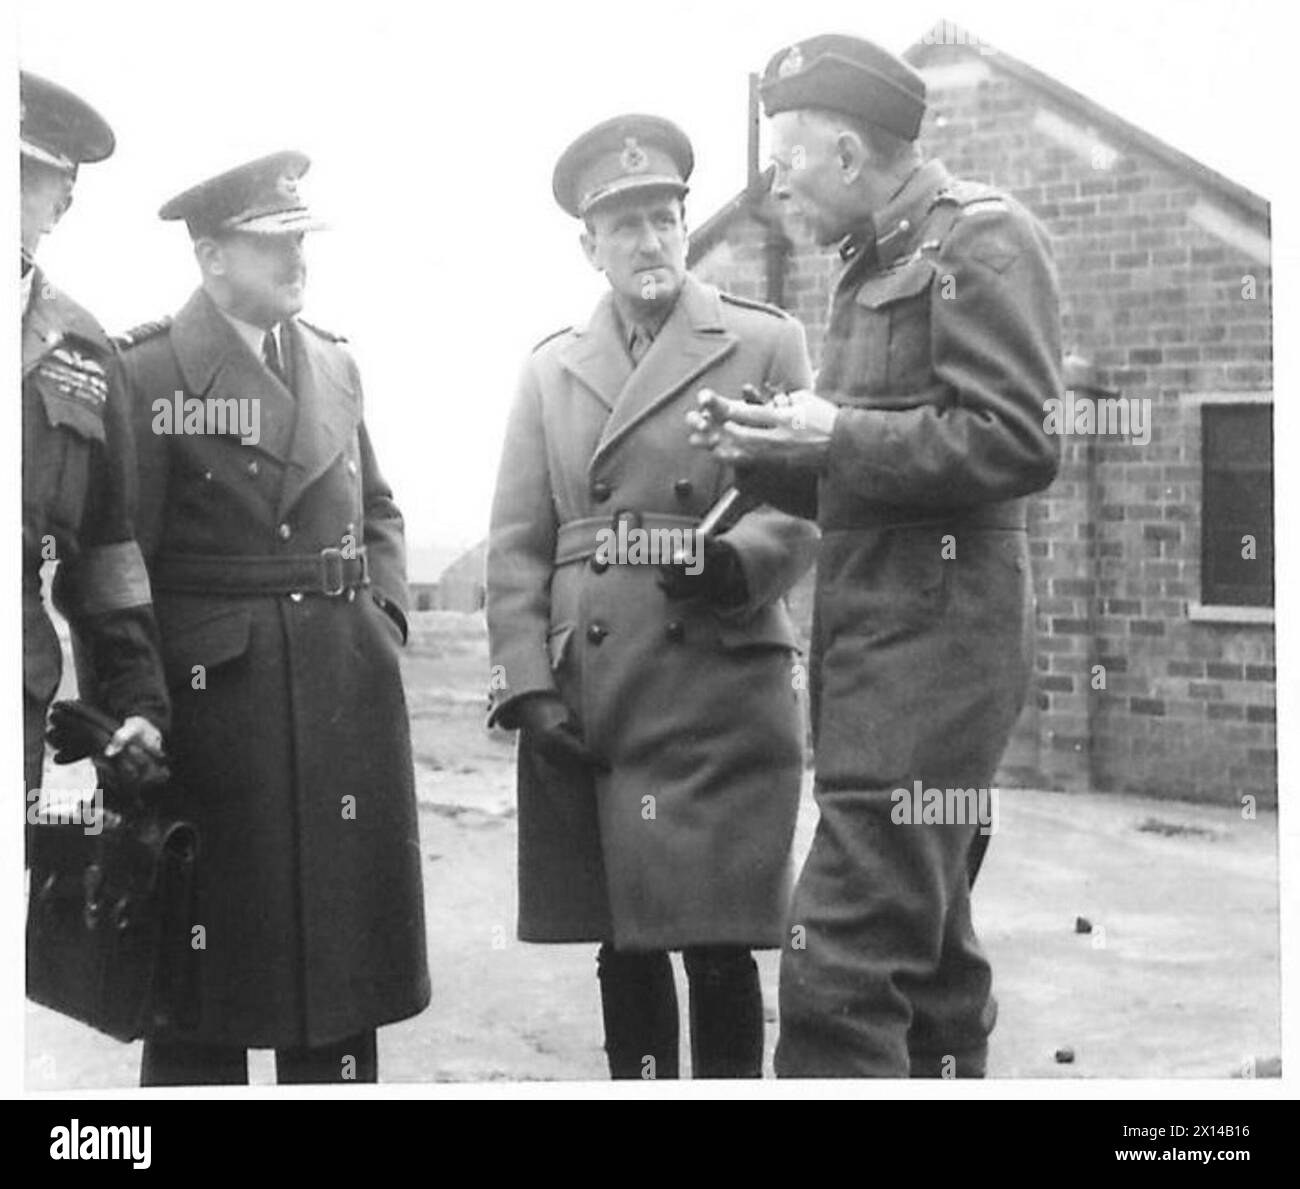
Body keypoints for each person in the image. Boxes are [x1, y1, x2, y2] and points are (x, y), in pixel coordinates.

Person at [689, 34, 1062, 1077]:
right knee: (931, 965)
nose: (773, 186)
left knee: (837, 979)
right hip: (880, 667)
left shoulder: (979, 243)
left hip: (928, 672)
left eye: (787, 160)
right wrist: (770, 458)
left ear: (848, 155)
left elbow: (1021, 439)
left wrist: (833, 434)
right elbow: (880, 475)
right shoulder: (876, 264)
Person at [487, 114, 820, 1078]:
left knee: (719, 936)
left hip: (720, 677)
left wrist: (735, 564)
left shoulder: (763, 342)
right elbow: (517, 541)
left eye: (664, 216)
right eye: (624, 223)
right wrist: (524, 682)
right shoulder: (550, 369)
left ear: (684, 224)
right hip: (599, 687)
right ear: (588, 245)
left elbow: (802, 503)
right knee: (623, 933)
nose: (649, 240)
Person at [114, 151, 429, 1084]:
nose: (298, 257)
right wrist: (138, 704)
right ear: (211, 257)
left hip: (342, 696)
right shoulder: (151, 372)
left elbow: (379, 511)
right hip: (219, 711)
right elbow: (117, 561)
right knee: (205, 991)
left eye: (301, 237)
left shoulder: (333, 361)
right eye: (271, 241)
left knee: (336, 982)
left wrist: (386, 620)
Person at [20, 70, 168, 820]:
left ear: (60, 204)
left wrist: (137, 696)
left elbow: (107, 553)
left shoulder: (82, 353)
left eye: (20, 176)